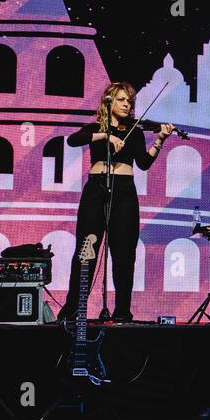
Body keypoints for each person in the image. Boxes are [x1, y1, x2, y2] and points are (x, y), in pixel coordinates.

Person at [59, 82, 174, 323]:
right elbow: (73, 140)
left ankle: (123, 312)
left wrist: (160, 140)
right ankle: (72, 311)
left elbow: (143, 163)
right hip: (96, 189)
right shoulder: (95, 128)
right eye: (121, 100)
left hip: (124, 192)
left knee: (124, 254)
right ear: (109, 101)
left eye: (129, 101)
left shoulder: (135, 130)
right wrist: (107, 136)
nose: (127, 105)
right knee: (85, 251)